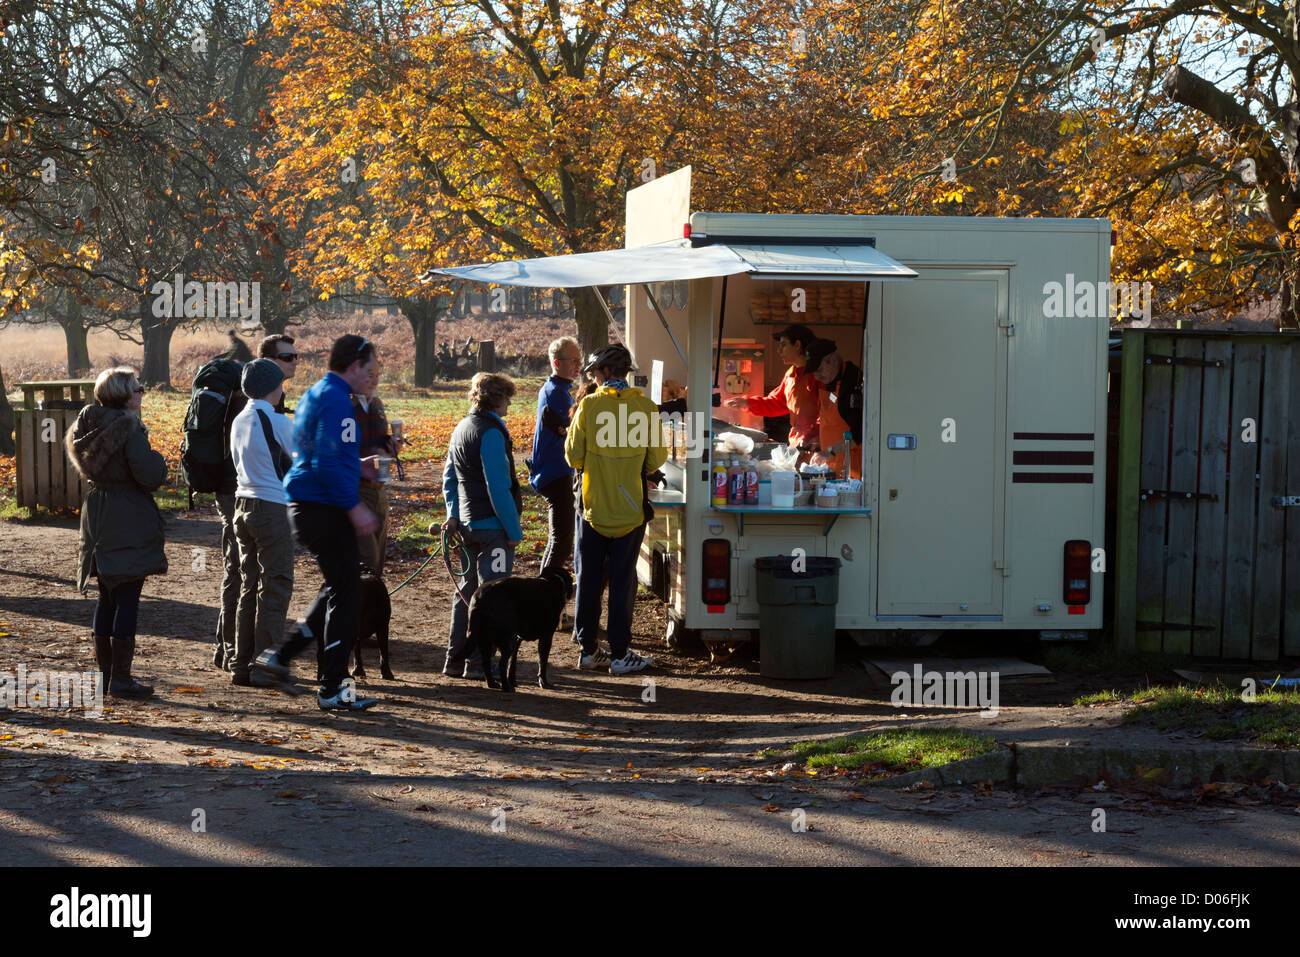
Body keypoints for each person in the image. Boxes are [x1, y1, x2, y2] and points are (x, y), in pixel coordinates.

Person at [252, 334, 381, 712]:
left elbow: (315, 455)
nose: (372, 375)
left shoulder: (317, 392)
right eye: (370, 368)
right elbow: (325, 462)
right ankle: (331, 687)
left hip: (308, 503)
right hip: (323, 506)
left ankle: (284, 655)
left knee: (336, 586)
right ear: (354, 366)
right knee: (348, 592)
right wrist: (354, 505)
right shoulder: (338, 401)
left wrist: (358, 468)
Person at [66, 367, 168, 699]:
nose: (142, 393)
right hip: (127, 512)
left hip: (96, 510)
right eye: (138, 389)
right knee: (127, 597)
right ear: (124, 393)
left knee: (106, 594)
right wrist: (160, 459)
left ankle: (105, 676)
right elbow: (149, 475)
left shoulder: (86, 421)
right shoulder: (129, 429)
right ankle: (121, 679)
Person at [565, 343, 666, 675]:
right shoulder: (647, 408)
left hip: (592, 510)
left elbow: (573, 457)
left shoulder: (590, 406)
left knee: (590, 580)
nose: (593, 379)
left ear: (606, 373)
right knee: (624, 583)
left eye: (595, 373)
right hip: (630, 510)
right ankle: (621, 654)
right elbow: (656, 460)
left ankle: (588, 650)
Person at [442, 372, 524, 680]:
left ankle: (455, 660)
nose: (509, 404)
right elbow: (498, 487)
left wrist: (452, 514)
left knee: (466, 594)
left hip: (465, 526)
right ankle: (478, 664)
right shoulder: (490, 432)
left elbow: (449, 479)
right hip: (493, 530)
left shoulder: (461, 427)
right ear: (497, 399)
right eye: (507, 398)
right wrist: (514, 532)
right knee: (492, 598)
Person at [229, 359, 295, 687]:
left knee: (248, 585)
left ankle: (241, 663)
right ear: (273, 387)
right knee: (276, 584)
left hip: (242, 505)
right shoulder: (276, 421)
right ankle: (265, 663)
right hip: (271, 507)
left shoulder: (239, 419)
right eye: (281, 383)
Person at [528, 336, 581, 574]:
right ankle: (544, 597)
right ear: (557, 363)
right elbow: (569, 431)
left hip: (553, 471)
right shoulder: (556, 393)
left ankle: (543, 591)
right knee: (562, 541)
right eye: (573, 361)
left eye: (580, 360)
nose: (578, 365)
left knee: (557, 539)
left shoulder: (557, 389)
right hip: (556, 472)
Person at [724, 323, 820, 449]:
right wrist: (747, 403)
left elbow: (828, 414)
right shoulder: (791, 374)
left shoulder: (819, 374)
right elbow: (776, 403)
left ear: (797, 345)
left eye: (783, 345)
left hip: (818, 447)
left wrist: (813, 437)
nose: (779, 350)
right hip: (798, 445)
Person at [351, 358, 399, 574]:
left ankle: (370, 607)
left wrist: (391, 446)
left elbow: (376, 442)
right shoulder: (339, 403)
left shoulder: (375, 403)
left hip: (379, 488)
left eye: (377, 375)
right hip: (353, 489)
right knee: (364, 563)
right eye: (369, 374)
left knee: (377, 561)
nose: (374, 380)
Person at [805, 338, 864, 479]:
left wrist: (828, 452)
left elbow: (859, 434)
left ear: (833, 360)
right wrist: (819, 439)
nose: (817, 376)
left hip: (851, 468)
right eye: (813, 372)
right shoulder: (831, 379)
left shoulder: (851, 384)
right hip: (833, 464)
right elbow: (837, 423)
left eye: (819, 370)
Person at [258, 333, 297, 414]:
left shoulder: (273, 393)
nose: (295, 362)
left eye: (295, 357)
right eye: (287, 357)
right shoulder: (256, 396)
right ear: (268, 360)